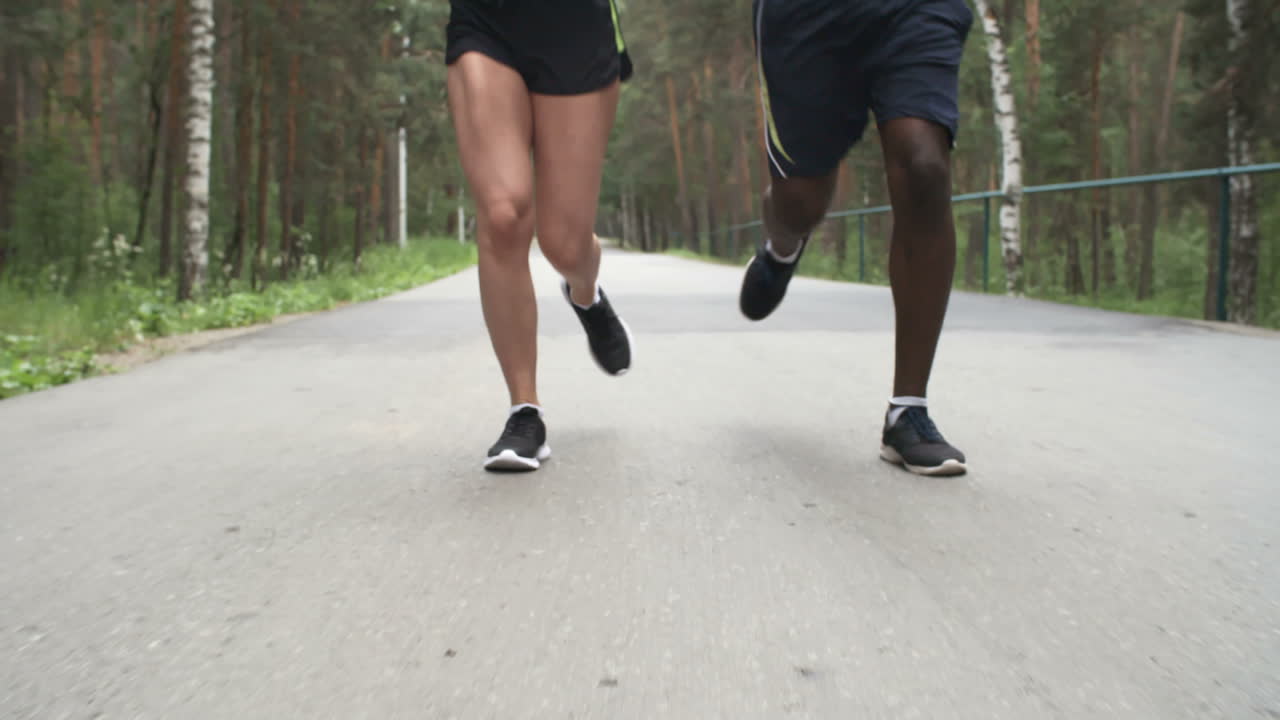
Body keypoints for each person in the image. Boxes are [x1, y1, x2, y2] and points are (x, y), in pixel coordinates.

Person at [740, 0, 973, 476]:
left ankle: (907, 410)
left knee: (925, 168)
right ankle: (783, 246)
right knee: (800, 201)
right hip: (807, 16)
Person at [445, 0, 634, 472]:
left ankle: (585, 293)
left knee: (564, 244)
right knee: (504, 214)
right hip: (484, 20)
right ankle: (524, 411)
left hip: (575, 27)